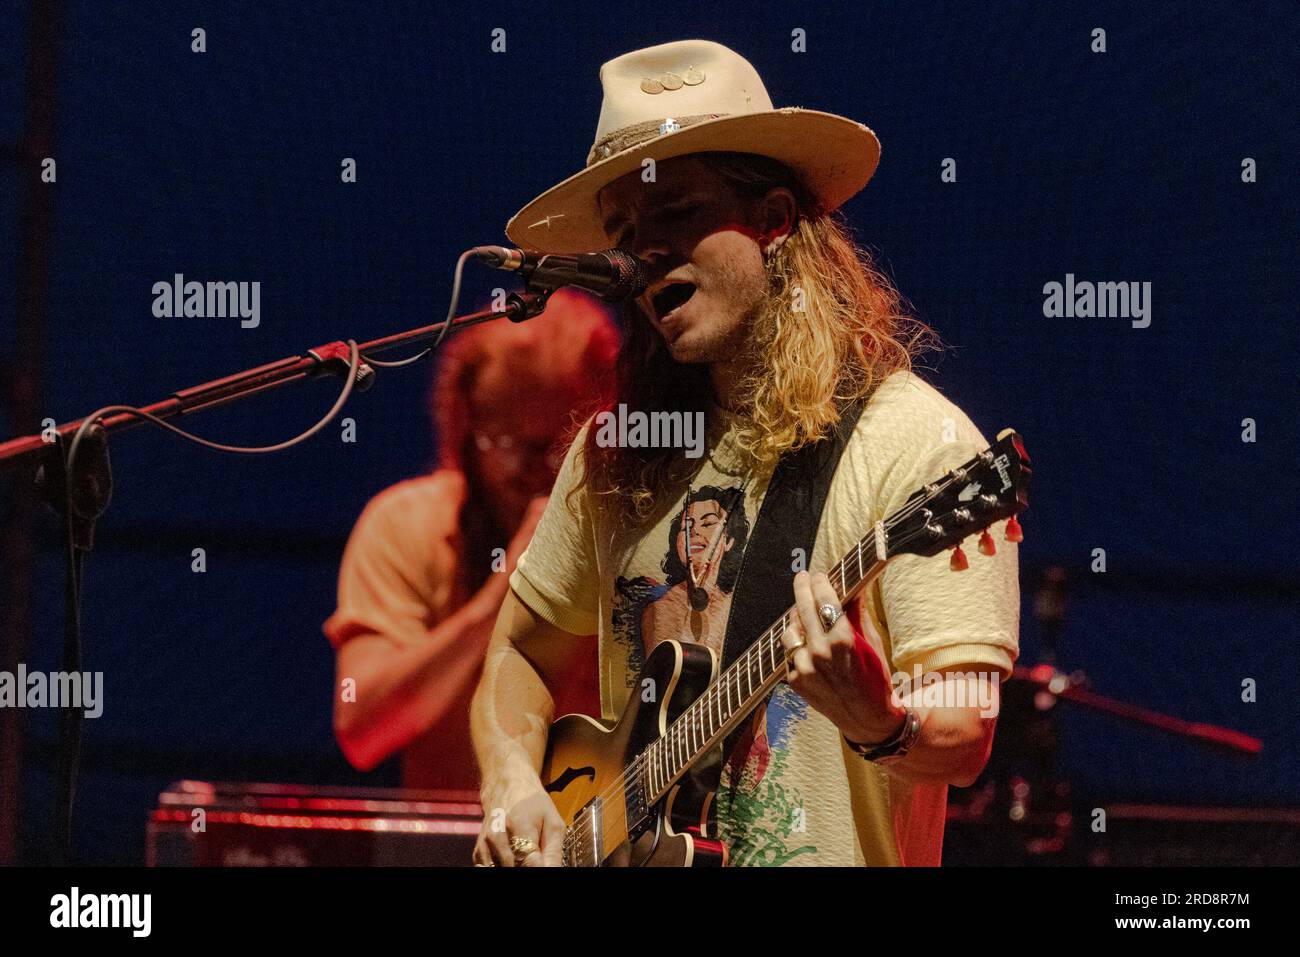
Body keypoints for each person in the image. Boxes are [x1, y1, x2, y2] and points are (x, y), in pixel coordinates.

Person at [471, 39, 1020, 865]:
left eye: (679, 213)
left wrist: (880, 719)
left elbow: (966, 733)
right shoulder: (617, 448)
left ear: (772, 219)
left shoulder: (920, 444)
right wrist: (512, 782)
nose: (643, 251)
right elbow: (517, 647)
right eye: (623, 232)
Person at [324, 289, 618, 790]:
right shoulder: (405, 522)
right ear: (466, 427)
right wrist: (504, 592)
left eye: (560, 448)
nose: (537, 473)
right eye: (507, 444)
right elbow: (361, 728)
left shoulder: (646, 528)